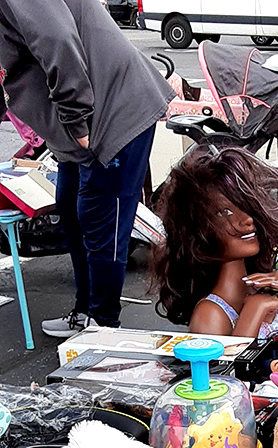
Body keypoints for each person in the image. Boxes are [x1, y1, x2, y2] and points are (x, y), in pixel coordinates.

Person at [0, 0, 175, 337]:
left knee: (101, 221)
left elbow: (58, 39)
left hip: (113, 111)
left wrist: (75, 118)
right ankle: (86, 311)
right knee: (70, 208)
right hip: (81, 125)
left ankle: (105, 326)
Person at [153, 147, 278, 340]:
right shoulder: (210, 315)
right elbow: (228, 368)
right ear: (198, 229)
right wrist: (253, 311)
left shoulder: (259, 285)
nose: (247, 219)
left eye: (246, 206)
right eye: (224, 212)